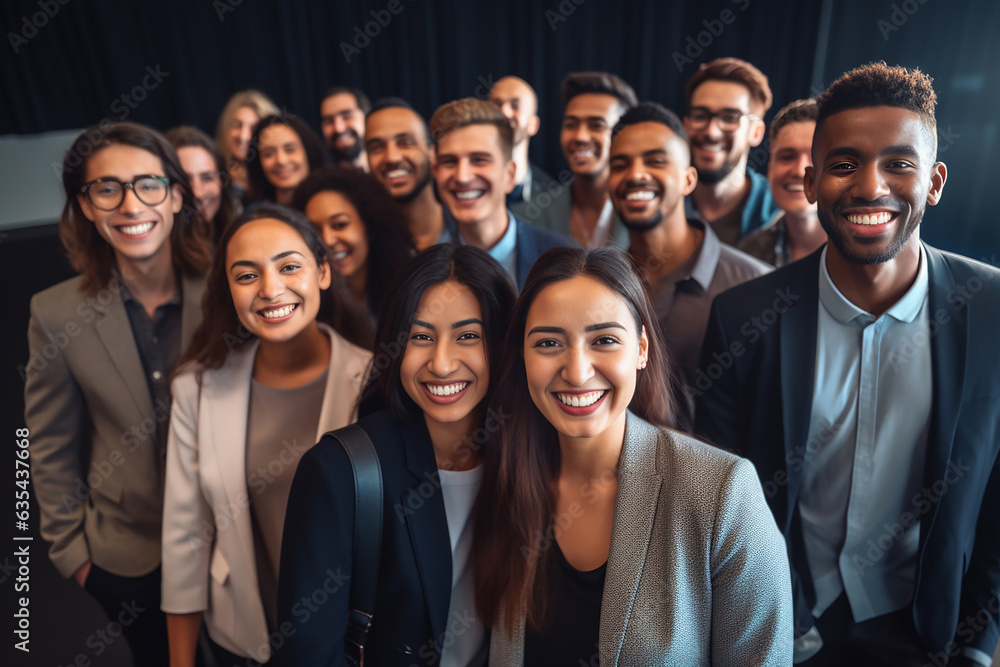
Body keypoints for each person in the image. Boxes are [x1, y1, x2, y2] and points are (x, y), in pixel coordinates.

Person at [694, 63, 1000, 667]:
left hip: (930, 634)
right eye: (843, 165)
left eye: (899, 164)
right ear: (810, 183)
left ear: (935, 182)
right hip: (783, 627)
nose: (870, 186)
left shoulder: (991, 310)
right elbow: (721, 499)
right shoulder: (743, 317)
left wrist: (980, 642)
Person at [473, 246, 792, 665]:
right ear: (522, 355)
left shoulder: (723, 492)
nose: (577, 370)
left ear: (641, 348)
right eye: (549, 343)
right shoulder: (502, 480)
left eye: (604, 340)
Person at [25, 121, 213, 667]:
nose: (130, 205)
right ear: (85, 206)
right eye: (107, 188)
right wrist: (73, 555)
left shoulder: (228, 289)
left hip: (233, 542)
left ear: (177, 196)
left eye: (147, 184)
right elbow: (46, 445)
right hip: (126, 559)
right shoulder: (55, 313)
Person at [277, 244, 517, 666]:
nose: (441, 364)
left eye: (468, 336)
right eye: (420, 336)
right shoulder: (339, 471)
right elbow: (308, 655)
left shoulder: (531, 458)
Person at [161, 204, 373, 667]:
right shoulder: (196, 388)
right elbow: (184, 536)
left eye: (289, 267)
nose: (271, 289)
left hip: (348, 643)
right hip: (242, 639)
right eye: (246, 275)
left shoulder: (376, 380)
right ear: (229, 291)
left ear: (322, 272)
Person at [608, 102, 770, 429]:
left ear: (688, 180)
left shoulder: (754, 285)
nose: (636, 174)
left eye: (655, 161)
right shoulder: (602, 282)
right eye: (620, 164)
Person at [429, 98, 570, 290]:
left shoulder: (564, 262)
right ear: (435, 171)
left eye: (479, 160)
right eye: (449, 161)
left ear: (510, 175)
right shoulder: (423, 267)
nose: (462, 177)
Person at [520, 72, 635, 248]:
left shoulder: (646, 211)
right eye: (570, 125)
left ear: (625, 134)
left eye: (597, 125)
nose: (580, 136)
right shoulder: (528, 215)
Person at [292, 166, 415, 322]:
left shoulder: (410, 293)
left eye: (340, 225)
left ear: (369, 225)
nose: (327, 240)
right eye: (315, 231)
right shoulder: (306, 313)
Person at [682, 57, 778, 245]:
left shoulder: (779, 214)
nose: (711, 131)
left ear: (756, 132)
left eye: (730, 118)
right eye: (700, 116)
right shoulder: (662, 202)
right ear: (686, 125)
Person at [737, 99, 827, 267]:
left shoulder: (869, 250)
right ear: (770, 169)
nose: (800, 171)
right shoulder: (746, 254)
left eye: (815, 157)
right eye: (787, 157)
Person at [365, 97, 454, 250]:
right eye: (377, 147)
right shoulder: (366, 248)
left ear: (431, 152)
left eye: (405, 142)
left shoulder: (468, 228)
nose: (392, 157)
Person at [488, 75, 559, 215]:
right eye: (497, 105)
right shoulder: (471, 184)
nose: (504, 112)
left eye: (515, 106)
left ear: (533, 125)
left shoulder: (553, 197)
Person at [166, 124, 241, 244]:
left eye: (207, 178)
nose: (197, 193)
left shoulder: (238, 238)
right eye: (184, 179)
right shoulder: (158, 255)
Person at [245, 114, 328, 207]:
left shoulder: (331, 206)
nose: (281, 161)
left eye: (290, 150)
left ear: (309, 152)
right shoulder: (254, 215)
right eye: (268, 154)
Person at [214, 89, 280, 198]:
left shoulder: (279, 174)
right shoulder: (214, 178)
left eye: (254, 128)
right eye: (237, 125)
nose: (244, 136)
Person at [319, 85, 371, 171]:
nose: (338, 128)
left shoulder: (384, 166)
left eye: (347, 116)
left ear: (367, 118)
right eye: (329, 121)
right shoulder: (320, 176)